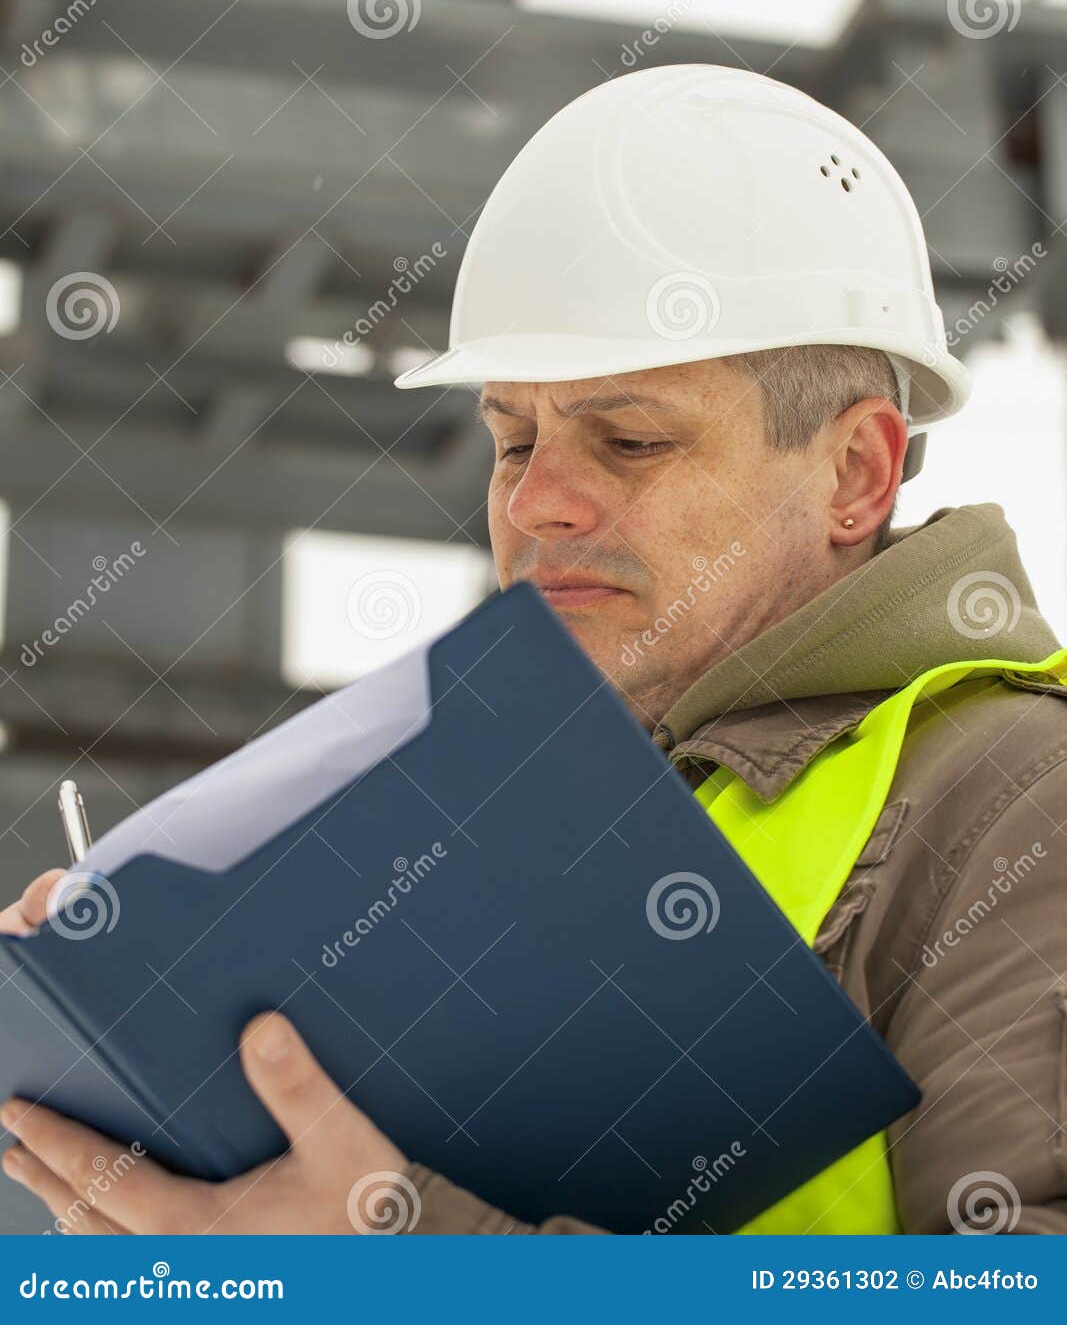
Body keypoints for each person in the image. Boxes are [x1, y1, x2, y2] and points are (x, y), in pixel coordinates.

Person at [2, 65, 1065, 1235]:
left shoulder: (1019, 799)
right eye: (514, 441)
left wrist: (395, 1257)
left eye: (629, 437)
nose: (538, 500)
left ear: (853, 471)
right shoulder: (477, 821)